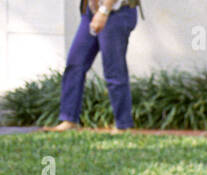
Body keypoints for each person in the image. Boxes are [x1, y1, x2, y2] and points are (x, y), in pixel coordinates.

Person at [51, 1, 142, 132]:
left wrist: (104, 11)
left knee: (114, 68)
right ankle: (69, 120)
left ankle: (123, 125)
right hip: (91, 12)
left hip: (116, 12)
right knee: (75, 63)